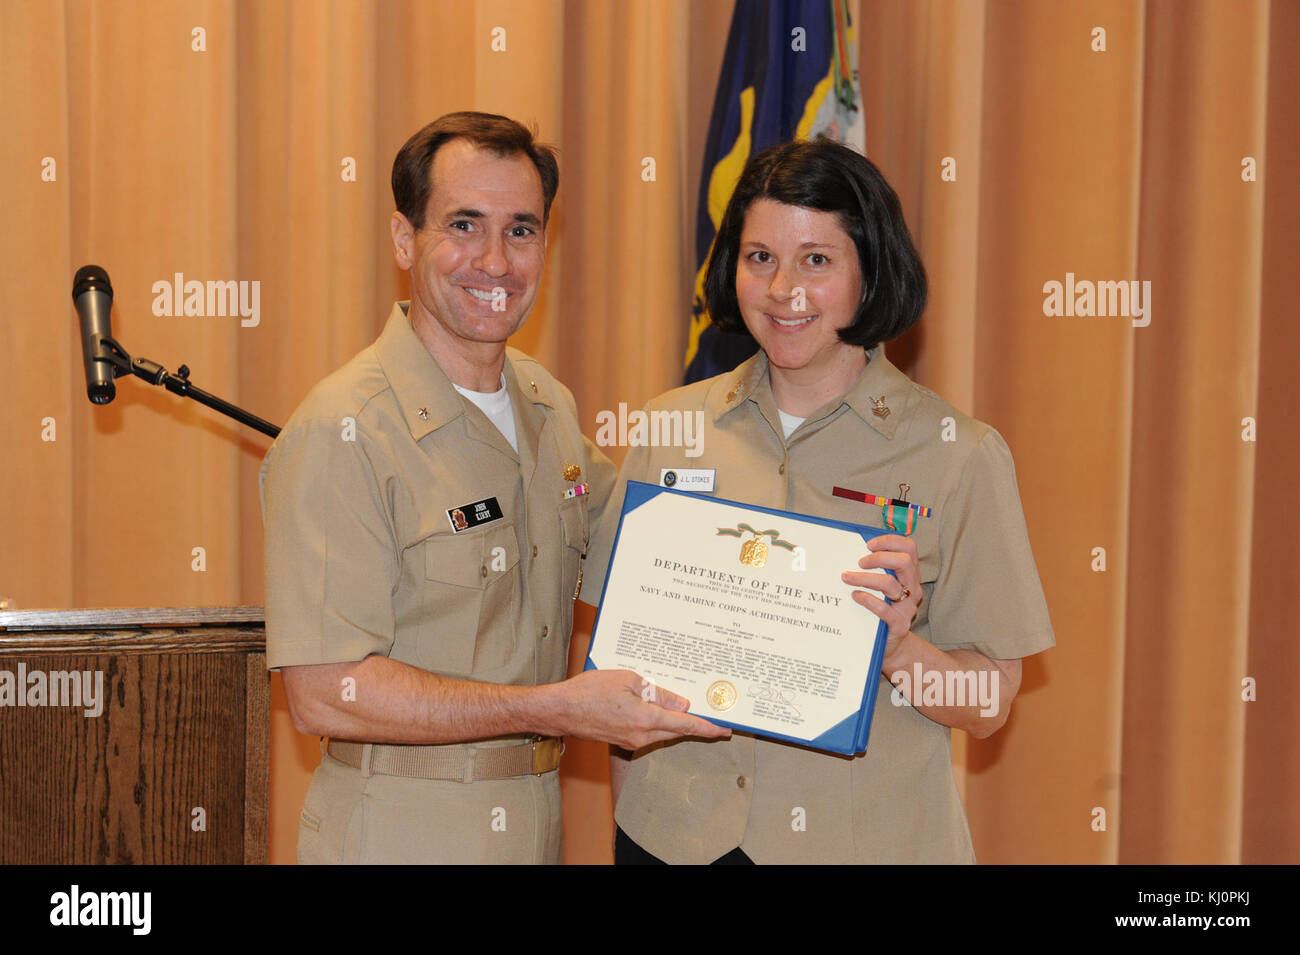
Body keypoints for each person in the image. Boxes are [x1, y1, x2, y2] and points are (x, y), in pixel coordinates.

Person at [261, 112, 727, 865]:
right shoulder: (342, 429)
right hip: (400, 833)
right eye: (464, 225)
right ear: (405, 240)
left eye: (521, 229)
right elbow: (325, 689)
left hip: (535, 825)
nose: (496, 260)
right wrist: (551, 708)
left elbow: (649, 546)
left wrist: (828, 573)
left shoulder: (548, 405)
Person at [581, 138, 1055, 864]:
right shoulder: (669, 429)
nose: (784, 290)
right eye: (760, 257)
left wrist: (899, 647)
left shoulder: (959, 453)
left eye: (817, 260)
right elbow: (612, 651)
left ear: (870, 273)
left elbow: (990, 706)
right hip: (676, 839)